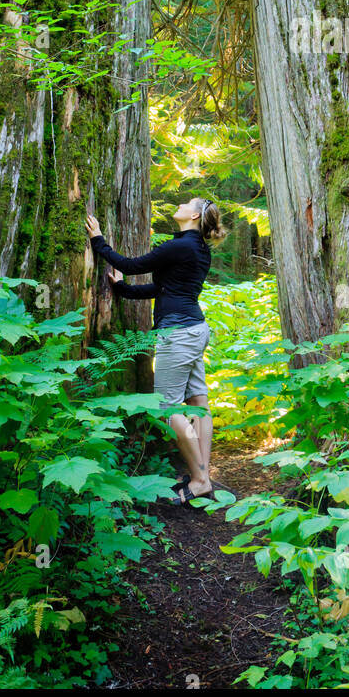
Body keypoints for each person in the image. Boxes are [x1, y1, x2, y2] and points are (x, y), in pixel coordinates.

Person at [85, 199, 226, 506]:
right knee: (198, 403)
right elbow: (164, 290)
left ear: (193, 216)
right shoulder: (196, 248)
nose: (182, 202)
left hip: (179, 335)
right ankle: (202, 475)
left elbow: (131, 265)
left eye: (187, 203)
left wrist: (98, 240)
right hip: (193, 331)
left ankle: (201, 481)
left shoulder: (182, 247)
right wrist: (123, 290)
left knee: (167, 405)